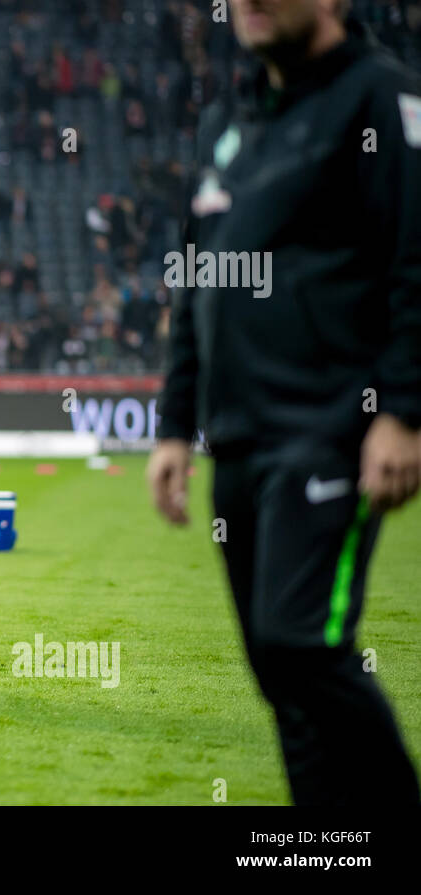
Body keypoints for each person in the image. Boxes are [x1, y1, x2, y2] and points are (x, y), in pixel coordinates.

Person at [148, 0, 421, 805]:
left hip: (330, 424)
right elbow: (196, 281)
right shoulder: (231, 124)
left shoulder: (382, 101)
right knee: (280, 677)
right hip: (240, 438)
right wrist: (173, 424)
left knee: (300, 641)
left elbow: (416, 261)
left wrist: (402, 411)